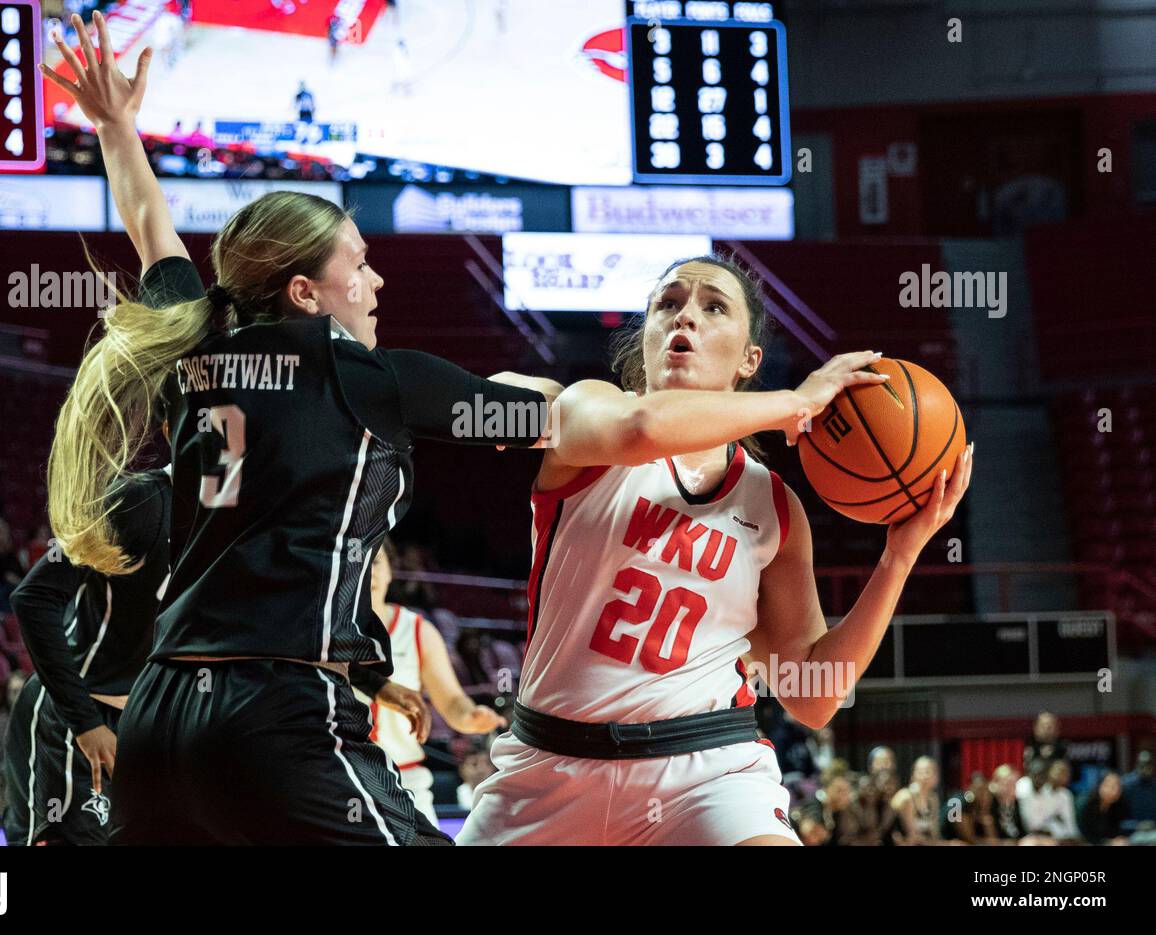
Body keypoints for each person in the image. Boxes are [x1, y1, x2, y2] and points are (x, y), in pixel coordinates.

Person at [39, 13, 556, 845]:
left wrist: (114, 127)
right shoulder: (367, 376)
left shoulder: (193, 332)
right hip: (278, 706)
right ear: (307, 294)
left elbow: (149, 230)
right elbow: (557, 422)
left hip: (163, 712)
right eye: (357, 259)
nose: (376, 275)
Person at [459, 254, 973, 846]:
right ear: (646, 336)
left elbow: (811, 694)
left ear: (749, 359)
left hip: (705, 772)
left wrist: (898, 558)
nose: (686, 318)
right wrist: (797, 402)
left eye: (713, 307)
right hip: (548, 767)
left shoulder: (774, 506)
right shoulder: (591, 413)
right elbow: (642, 429)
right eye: (668, 304)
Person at [1, 470, 171, 846]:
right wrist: (85, 723)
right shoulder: (135, 499)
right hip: (76, 714)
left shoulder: (222, 516)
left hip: (141, 721)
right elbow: (33, 597)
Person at [354, 540, 506, 823]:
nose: (367, 572)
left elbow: (451, 701)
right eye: (356, 563)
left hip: (404, 782)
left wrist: (471, 717)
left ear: (390, 571)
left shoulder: (417, 630)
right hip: (338, 780)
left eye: (375, 563)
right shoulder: (322, 631)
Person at [890, 756, 941, 845]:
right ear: (913, 775)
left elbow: (934, 833)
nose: (924, 776)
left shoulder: (933, 798)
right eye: (920, 772)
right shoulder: (906, 797)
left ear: (936, 776)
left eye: (928, 772)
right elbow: (912, 836)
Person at [1079, 770, 1129, 845]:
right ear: (1100, 785)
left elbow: (1114, 831)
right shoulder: (1086, 804)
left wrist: (1118, 839)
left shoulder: (1118, 805)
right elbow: (1084, 835)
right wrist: (1108, 842)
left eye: (1118, 786)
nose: (1114, 790)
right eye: (1110, 786)